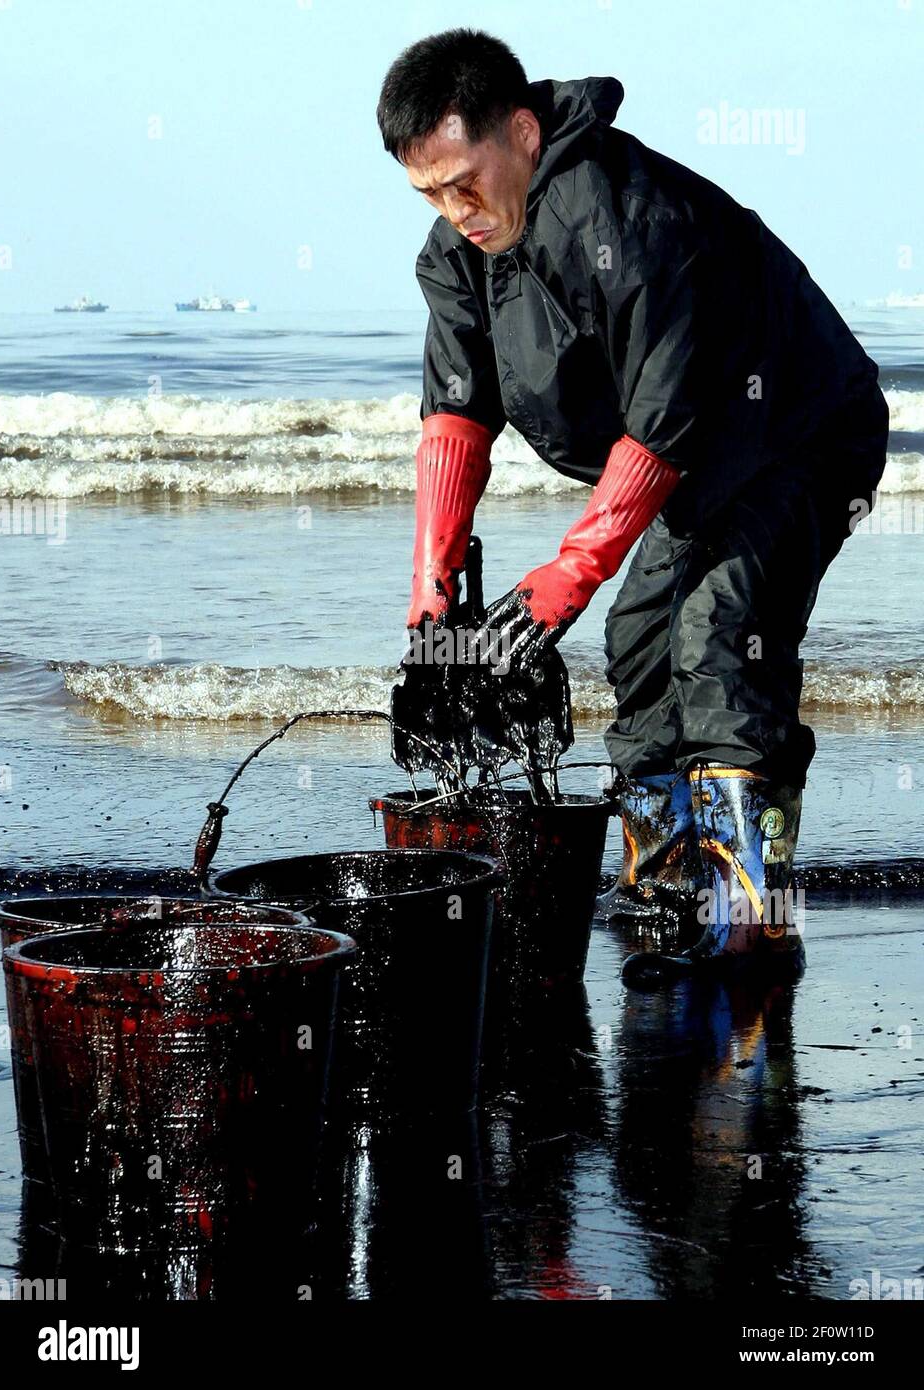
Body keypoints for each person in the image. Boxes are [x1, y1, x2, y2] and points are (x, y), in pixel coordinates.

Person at [376, 28, 889, 972]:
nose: (457, 212)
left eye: (464, 182)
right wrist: (431, 595)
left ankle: (751, 918)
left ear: (523, 132)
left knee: (722, 635)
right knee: (640, 643)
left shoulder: (629, 220)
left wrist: (564, 578)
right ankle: (663, 893)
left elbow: (658, 427)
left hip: (803, 434)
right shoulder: (457, 258)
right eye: (431, 194)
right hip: (701, 464)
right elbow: (456, 420)